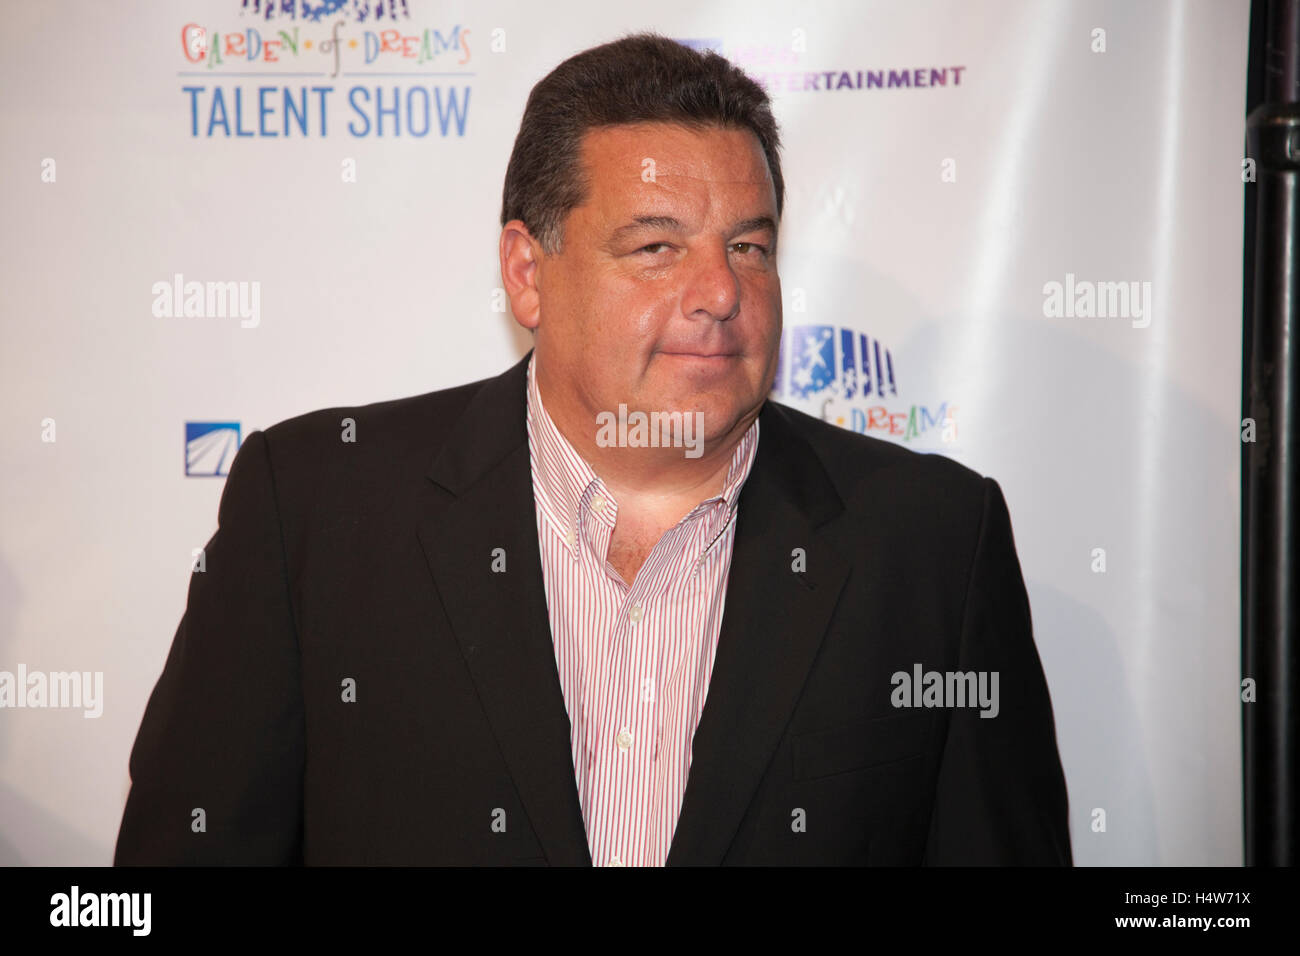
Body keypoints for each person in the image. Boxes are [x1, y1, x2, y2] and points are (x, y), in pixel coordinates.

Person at [115, 32, 1071, 866]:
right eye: (656, 247)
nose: (720, 293)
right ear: (528, 275)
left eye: (749, 247)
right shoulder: (316, 515)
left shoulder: (933, 544)